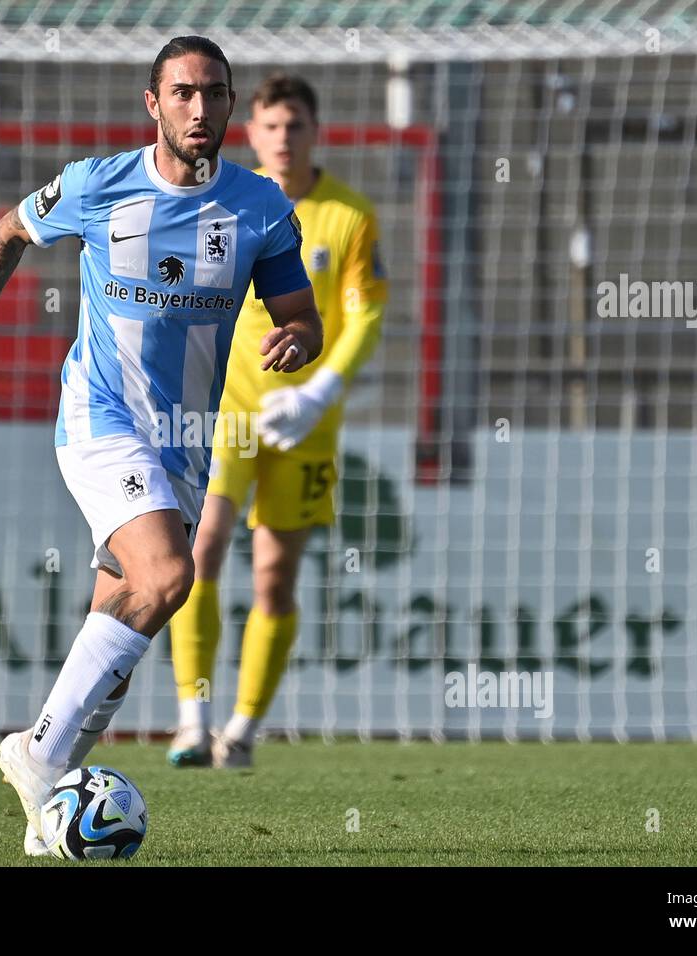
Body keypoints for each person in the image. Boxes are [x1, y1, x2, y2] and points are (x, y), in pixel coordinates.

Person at [0, 37, 323, 855]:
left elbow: (302, 315)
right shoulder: (98, 184)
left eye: (214, 94)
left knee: (125, 610)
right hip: (100, 421)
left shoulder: (261, 207)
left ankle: (49, 817)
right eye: (183, 93)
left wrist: (297, 337)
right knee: (170, 573)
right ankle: (36, 758)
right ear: (154, 103)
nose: (200, 109)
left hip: (184, 443)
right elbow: (4, 234)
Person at [167, 74, 388, 768]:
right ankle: (191, 720)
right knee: (198, 554)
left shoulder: (348, 216)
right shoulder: (231, 203)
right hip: (228, 408)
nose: (283, 138)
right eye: (270, 126)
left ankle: (242, 731)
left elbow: (366, 315)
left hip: (305, 423)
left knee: (273, 580)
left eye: (295, 126)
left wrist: (320, 392)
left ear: (314, 132)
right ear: (250, 132)